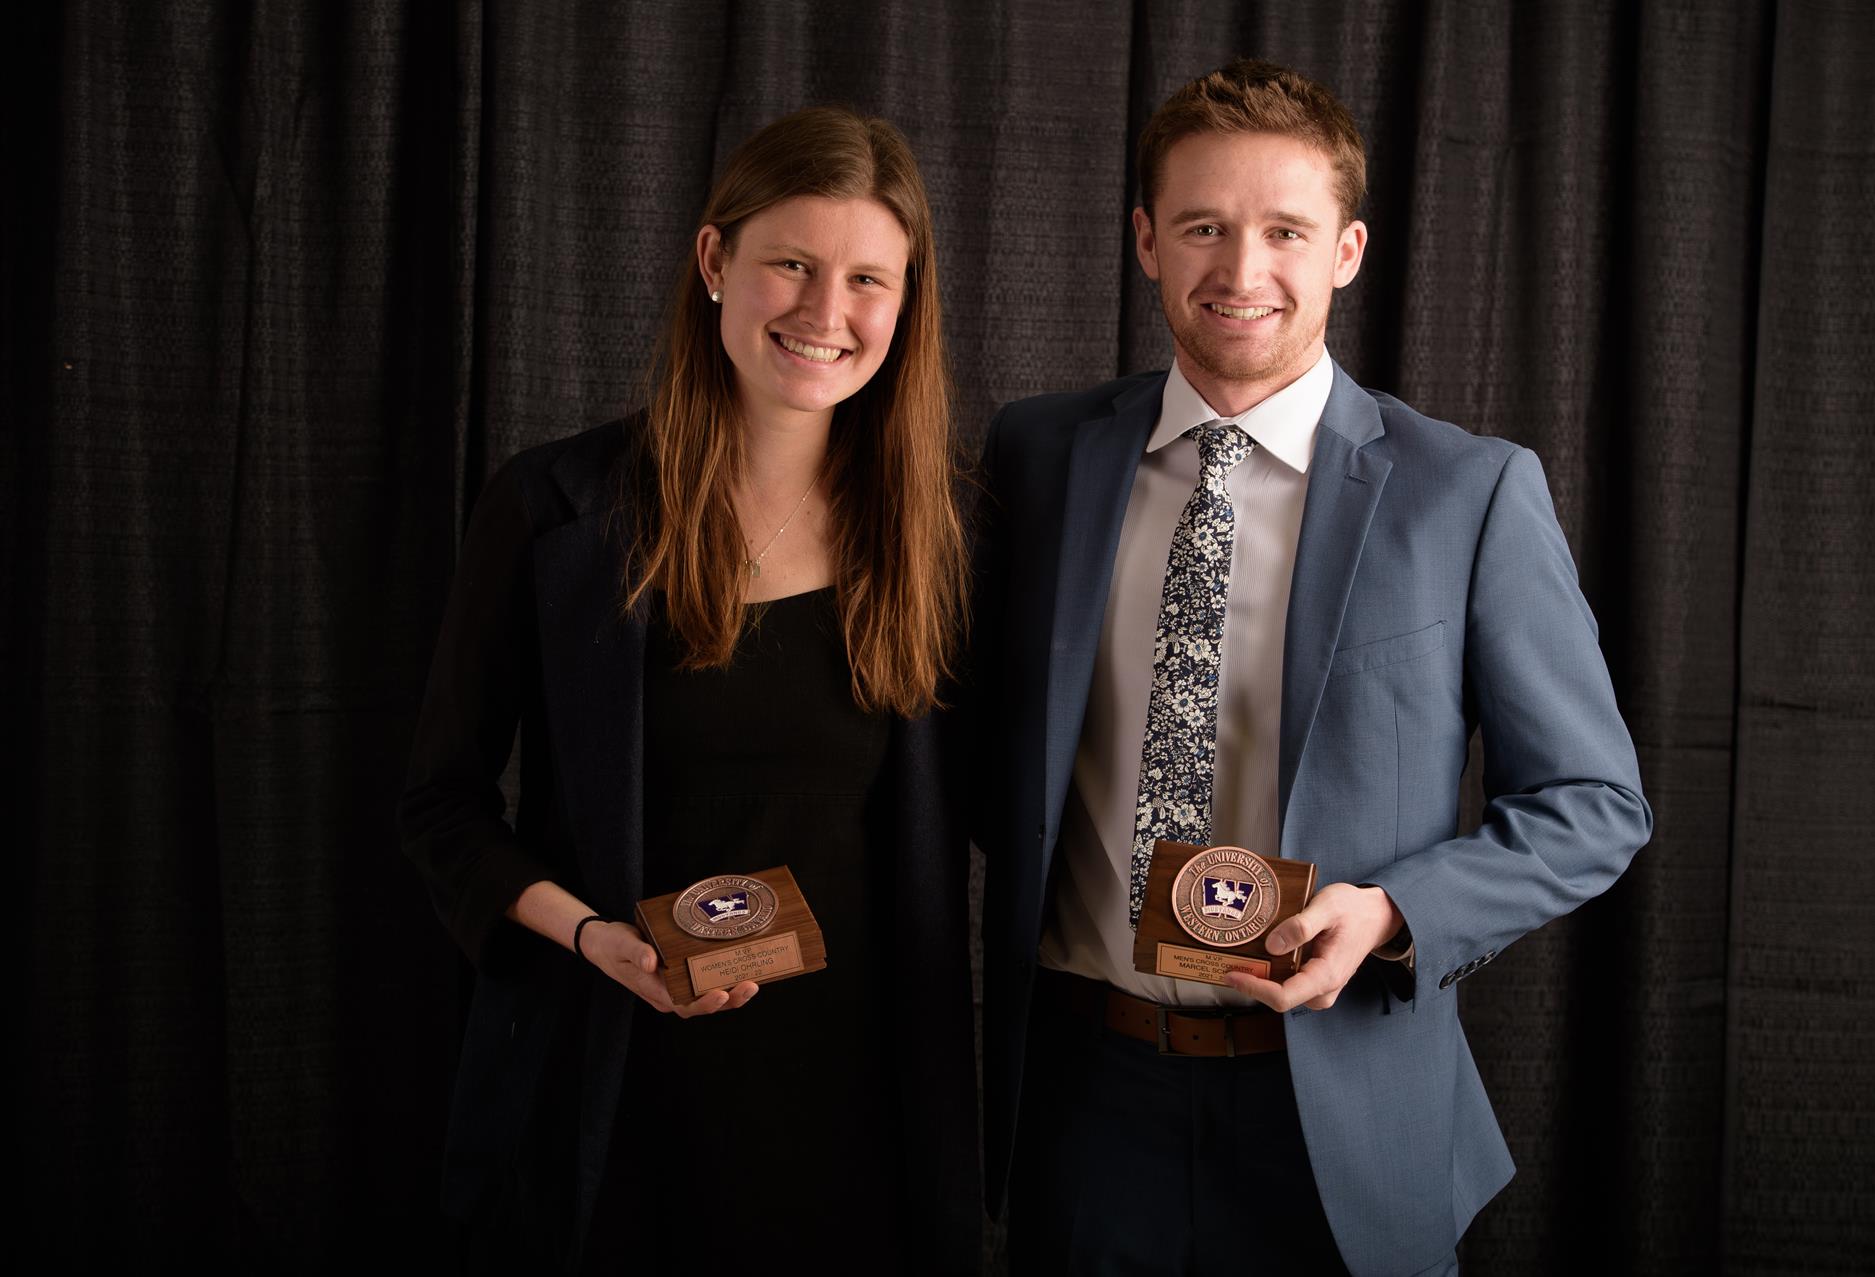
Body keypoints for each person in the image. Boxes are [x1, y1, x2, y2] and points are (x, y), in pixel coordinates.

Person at [970, 61, 1651, 1276]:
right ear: (1144, 239)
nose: (1241, 272)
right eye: (1202, 227)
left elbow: (1594, 805)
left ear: (1346, 249)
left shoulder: (1469, 492)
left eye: (1284, 230)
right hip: (1085, 1102)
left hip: (1339, 1110)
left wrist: (1394, 911)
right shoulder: (1037, 452)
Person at [401, 106, 978, 1274]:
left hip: (856, 1117)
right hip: (610, 1090)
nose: (826, 314)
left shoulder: (944, 534)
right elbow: (443, 809)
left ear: (906, 303)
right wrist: (590, 937)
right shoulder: (553, 510)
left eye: (868, 277)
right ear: (715, 263)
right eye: (792, 265)